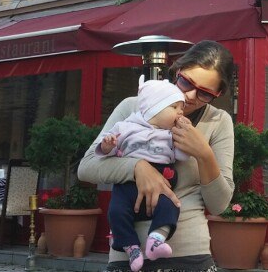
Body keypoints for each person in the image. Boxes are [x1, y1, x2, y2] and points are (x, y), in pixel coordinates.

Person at [79, 40, 236, 272]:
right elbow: (87, 167)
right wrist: (137, 167)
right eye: (186, 82)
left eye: (204, 93)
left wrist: (204, 154)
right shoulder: (133, 107)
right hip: (127, 255)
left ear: (218, 94)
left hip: (189, 252)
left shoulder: (218, 121)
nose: (190, 95)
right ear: (177, 70)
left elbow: (219, 205)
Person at [96, 79, 188, 272]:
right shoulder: (125, 127)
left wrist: (185, 136)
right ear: (155, 108)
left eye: (182, 108)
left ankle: (156, 239)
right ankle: (131, 248)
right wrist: (108, 145)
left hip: (162, 181)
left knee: (171, 205)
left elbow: (182, 156)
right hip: (127, 183)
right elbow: (104, 152)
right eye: (174, 107)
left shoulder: (170, 134)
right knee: (116, 211)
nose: (180, 112)